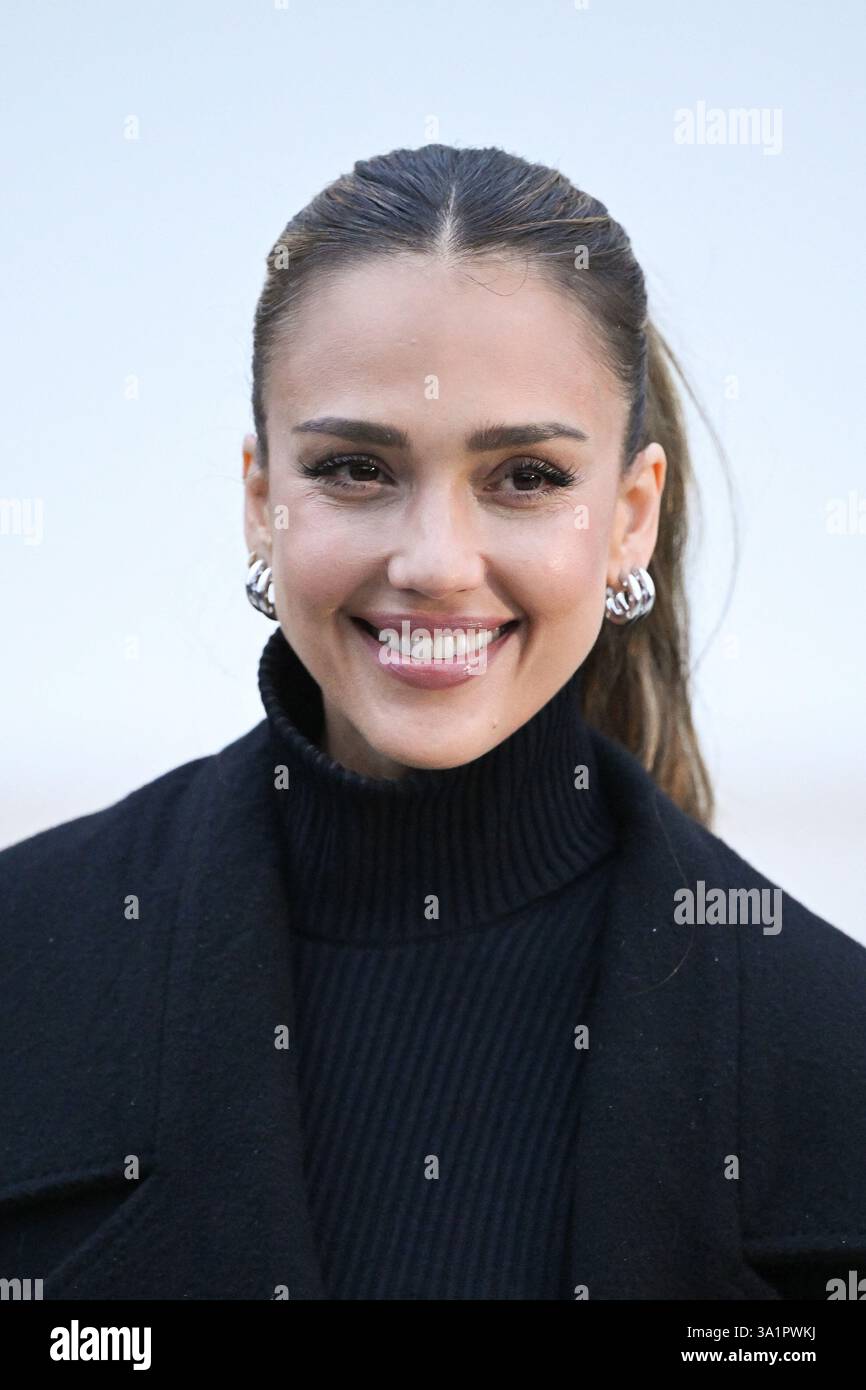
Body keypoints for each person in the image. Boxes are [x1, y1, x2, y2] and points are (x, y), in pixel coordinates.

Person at [1, 143, 864, 1302]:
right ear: (261, 498)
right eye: (356, 468)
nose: (434, 562)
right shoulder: (23, 965)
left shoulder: (832, 1052)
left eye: (523, 478)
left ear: (627, 517)